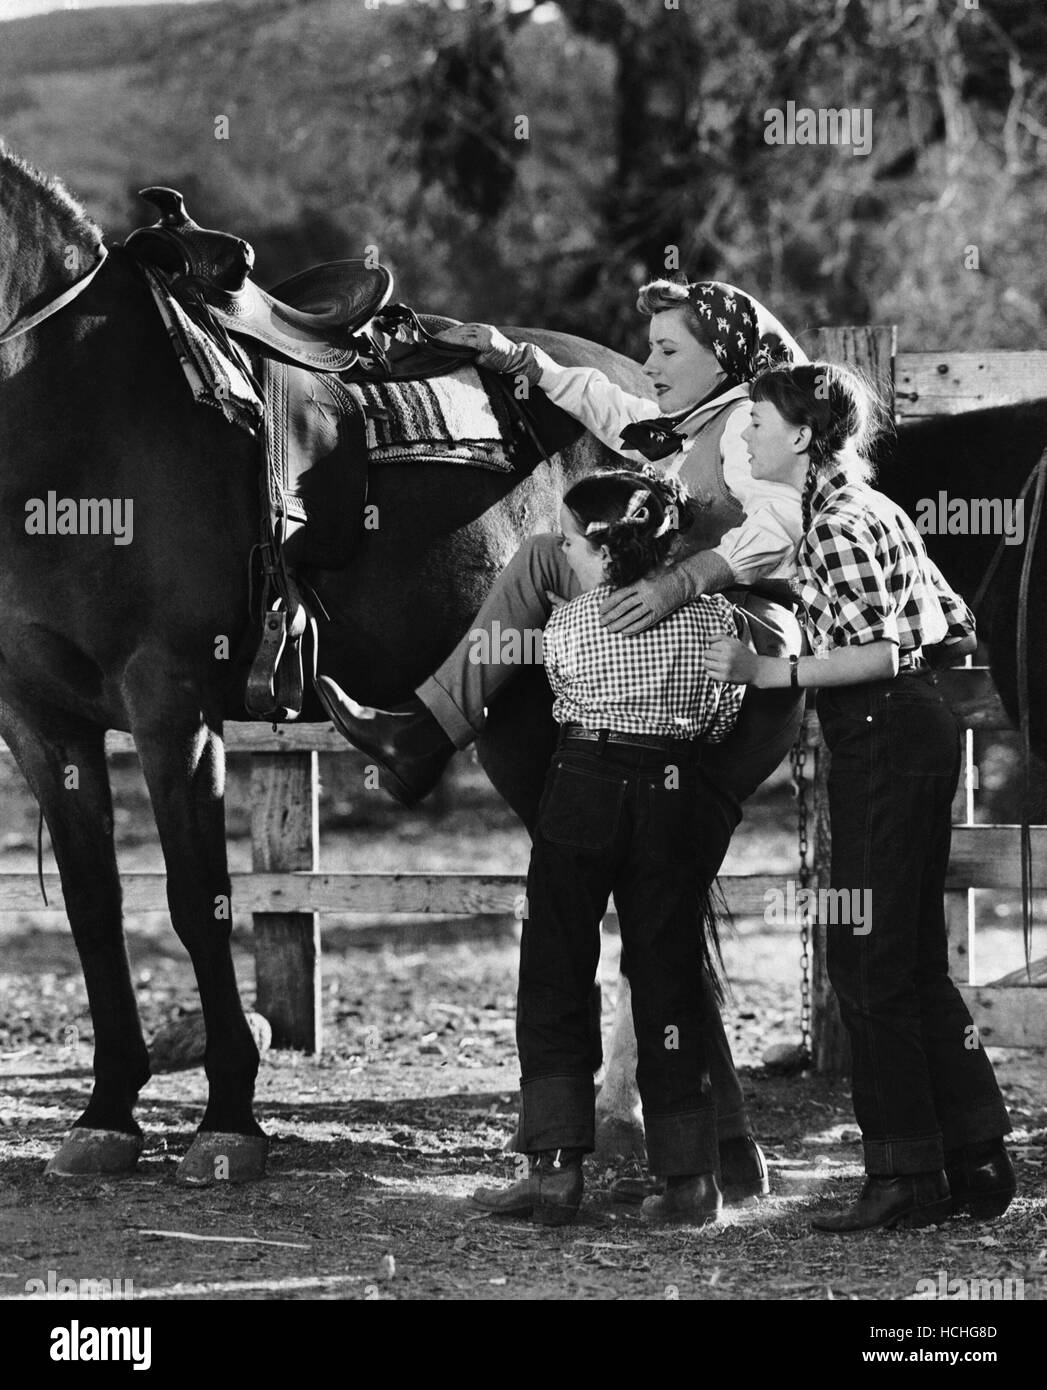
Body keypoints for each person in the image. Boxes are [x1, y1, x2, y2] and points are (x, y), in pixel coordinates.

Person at [316, 279, 808, 1201]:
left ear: (723, 355)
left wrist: (678, 581)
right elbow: (601, 401)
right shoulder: (682, 420)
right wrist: (508, 355)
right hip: (669, 637)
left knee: (592, 935)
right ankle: (698, 1164)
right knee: (543, 554)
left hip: (741, 626)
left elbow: (782, 528)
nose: (651, 363)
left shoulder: (747, 427)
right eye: (651, 347)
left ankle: (579, 1164)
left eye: (667, 347)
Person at [705, 362, 1015, 1233]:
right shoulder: (871, 512)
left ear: (802, 437)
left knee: (866, 957)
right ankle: (973, 1158)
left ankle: (905, 1176)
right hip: (901, 731)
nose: (747, 437)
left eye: (757, 422)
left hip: (880, 726)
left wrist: (769, 669)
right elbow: (947, 617)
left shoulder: (839, 523)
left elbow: (881, 651)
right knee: (906, 955)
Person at [471, 467, 744, 1226]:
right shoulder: (717, 618)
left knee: (556, 964)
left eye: (567, 541)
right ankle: (689, 1178)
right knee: (666, 976)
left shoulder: (566, 625)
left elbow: (560, 696)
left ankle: (554, 1167)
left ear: (600, 548)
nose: (562, 551)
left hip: (583, 783)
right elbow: (722, 716)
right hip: (670, 790)